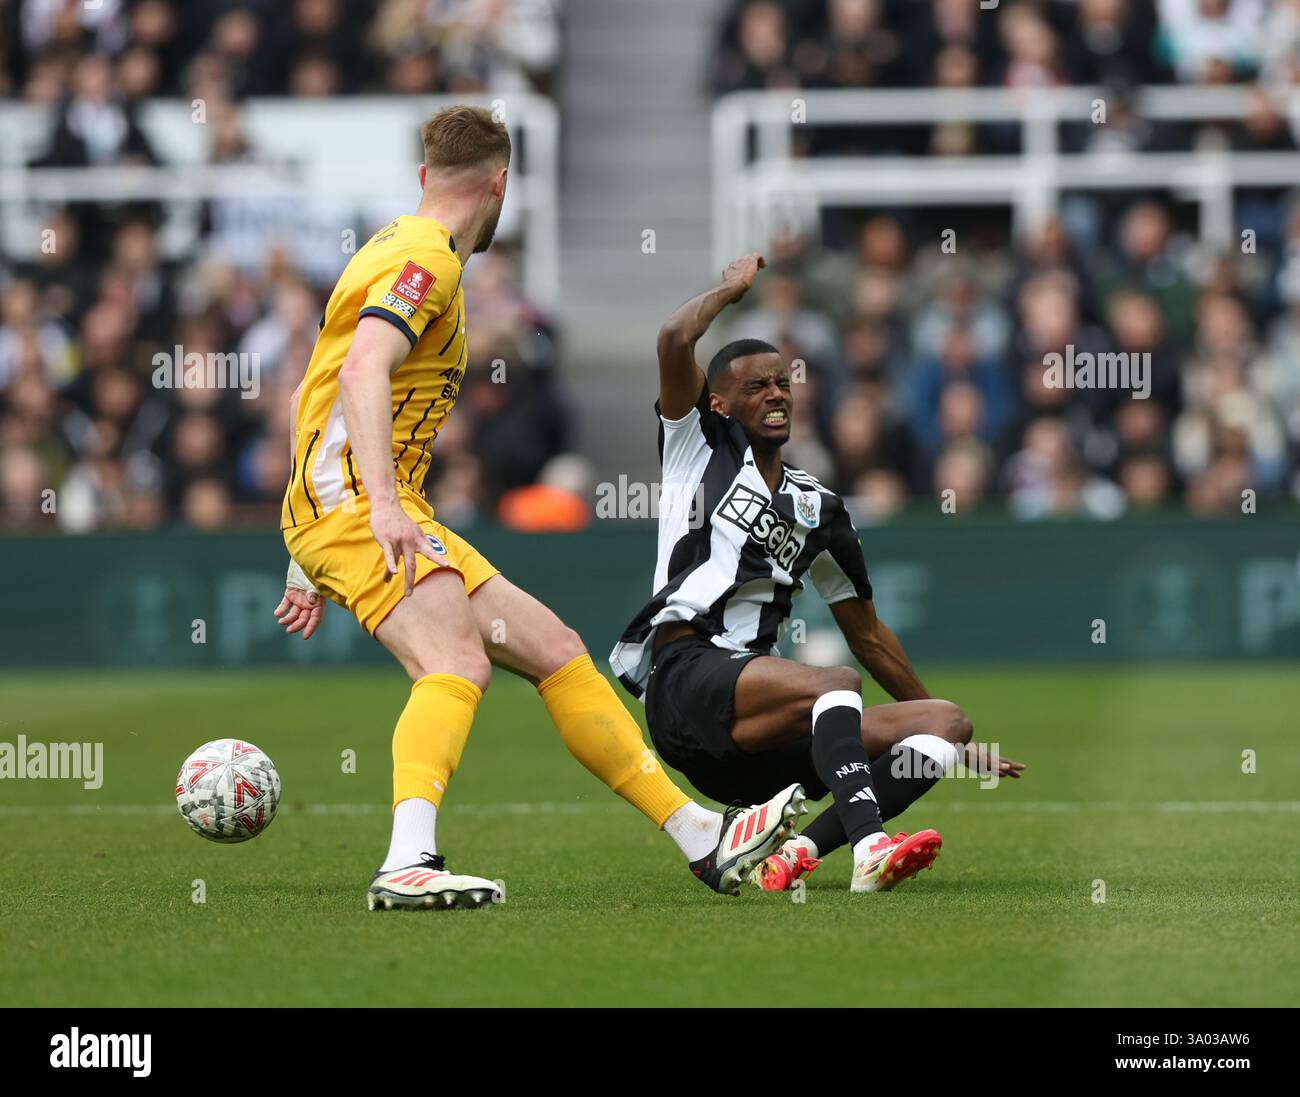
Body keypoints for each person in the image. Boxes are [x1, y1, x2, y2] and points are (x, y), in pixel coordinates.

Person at [273, 110, 803, 911]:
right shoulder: (429, 263)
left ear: (424, 178)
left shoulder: (386, 245)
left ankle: (703, 837)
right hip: (364, 503)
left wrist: (305, 544)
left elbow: (314, 383)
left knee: (556, 650)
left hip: (352, 502)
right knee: (454, 663)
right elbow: (361, 374)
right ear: (501, 184)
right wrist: (370, 506)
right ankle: (408, 860)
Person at [610, 254, 1024, 894]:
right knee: (834, 680)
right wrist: (729, 291)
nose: (775, 393)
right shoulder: (699, 444)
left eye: (782, 382)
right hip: (687, 682)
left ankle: (796, 851)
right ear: (717, 403)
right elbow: (673, 339)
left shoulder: (821, 511)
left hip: (760, 739)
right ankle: (871, 849)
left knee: (946, 725)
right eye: (756, 386)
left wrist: (923, 725)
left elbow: (870, 636)